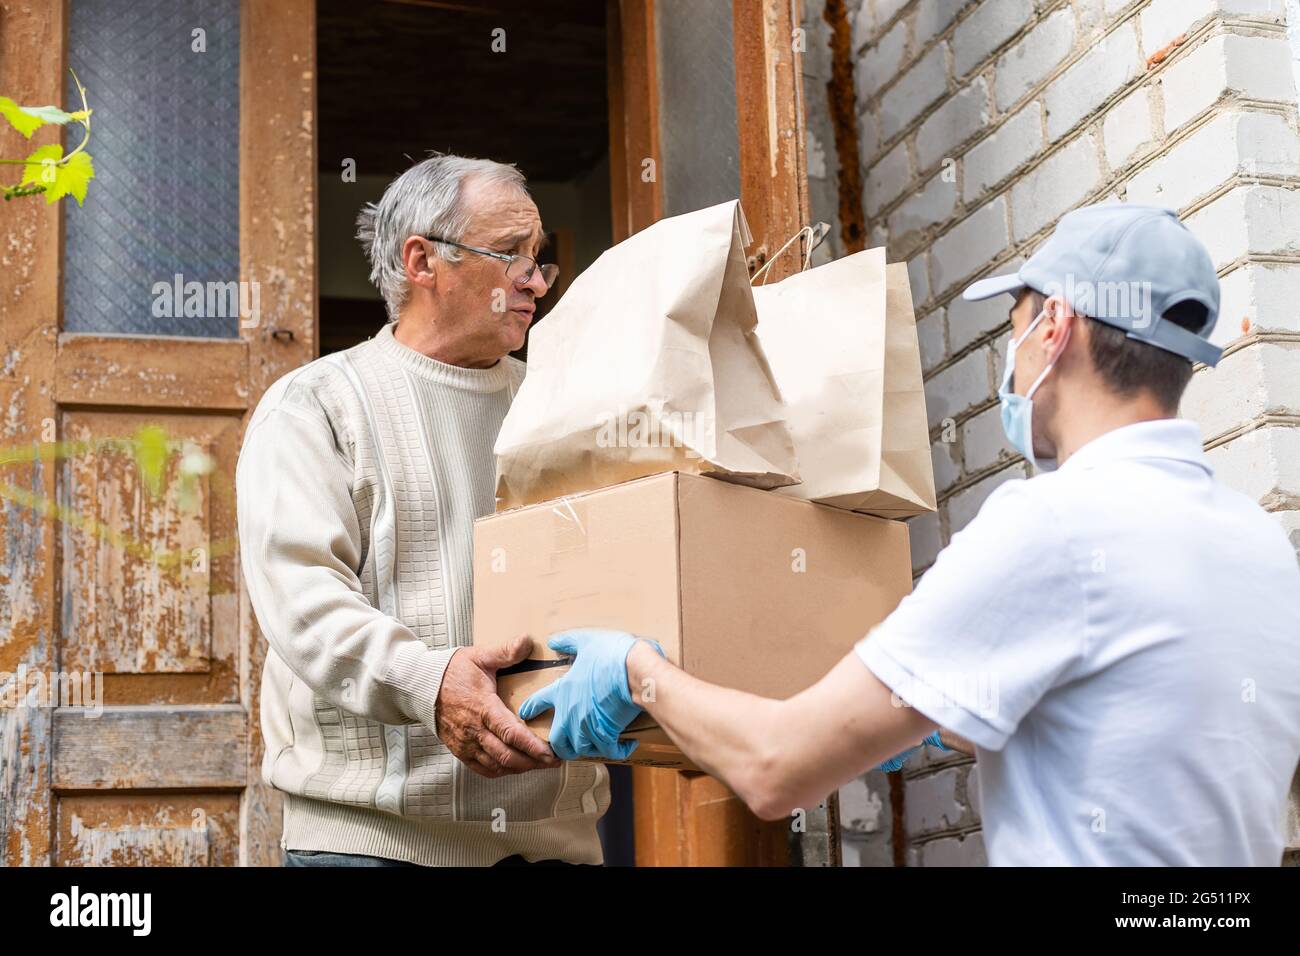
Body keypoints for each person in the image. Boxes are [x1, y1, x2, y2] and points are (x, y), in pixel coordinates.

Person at [521, 204, 1300, 865]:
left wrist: (635, 671)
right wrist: (933, 717)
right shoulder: (1260, 546)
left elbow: (775, 770)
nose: (1014, 348)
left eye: (1016, 322)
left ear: (1056, 328)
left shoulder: (1053, 525)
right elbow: (1124, 723)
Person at [238, 154, 610, 867]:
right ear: (422, 261)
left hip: (557, 844)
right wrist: (431, 681)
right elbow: (302, 601)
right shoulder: (314, 405)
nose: (534, 281)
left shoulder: (568, 408)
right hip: (370, 847)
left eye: (539, 260)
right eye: (509, 255)